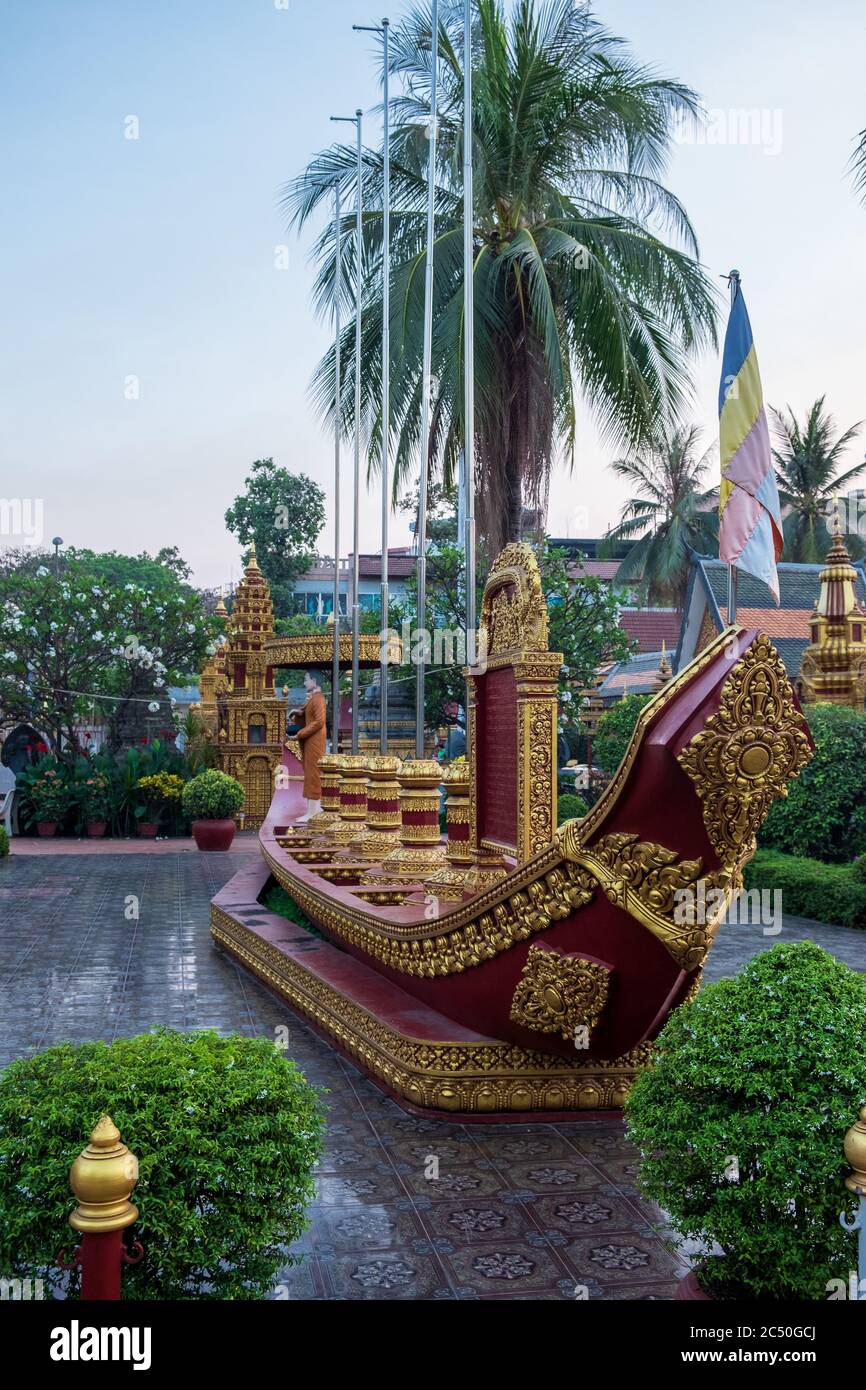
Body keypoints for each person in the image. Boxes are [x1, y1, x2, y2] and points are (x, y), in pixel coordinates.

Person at [288, 670, 326, 822]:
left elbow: (319, 721)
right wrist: (298, 713)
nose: (304, 683)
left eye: (306, 680)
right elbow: (309, 716)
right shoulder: (314, 698)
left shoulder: (318, 699)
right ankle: (313, 810)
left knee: (313, 773)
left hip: (315, 740)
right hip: (311, 739)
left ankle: (313, 812)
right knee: (311, 772)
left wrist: (300, 734)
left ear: (314, 681)